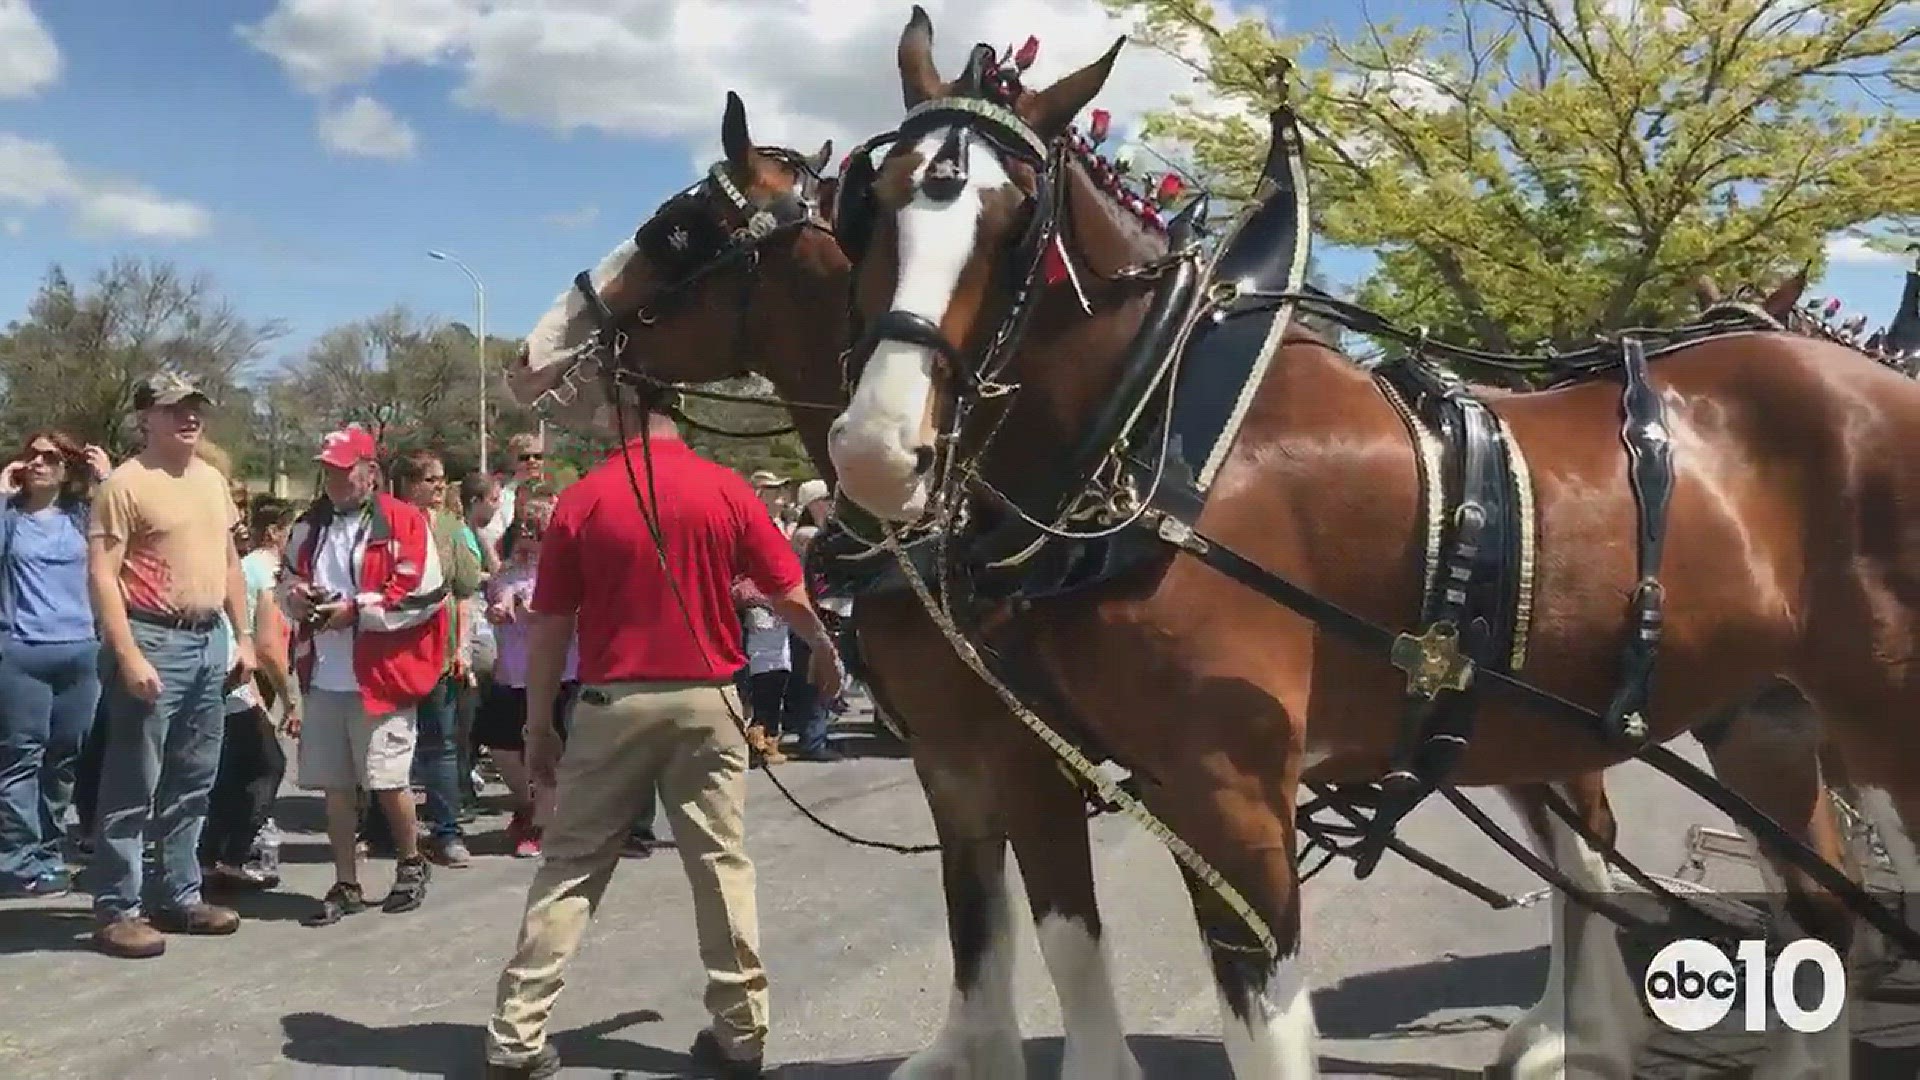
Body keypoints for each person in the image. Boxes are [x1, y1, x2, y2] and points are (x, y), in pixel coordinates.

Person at [483, 401, 843, 1080]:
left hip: (612, 701)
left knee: (570, 868)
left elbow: (552, 623)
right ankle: (742, 1036)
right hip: (708, 700)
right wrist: (820, 645)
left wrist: (538, 726)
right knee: (720, 865)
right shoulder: (726, 487)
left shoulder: (584, 498)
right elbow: (786, 585)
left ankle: (515, 1039)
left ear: (622, 409)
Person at [86, 371, 256, 959]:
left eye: (194, 407)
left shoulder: (211, 479)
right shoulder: (124, 486)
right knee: (134, 783)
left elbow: (231, 562)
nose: (189, 417)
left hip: (209, 641)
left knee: (193, 780)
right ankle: (117, 908)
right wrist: (127, 651)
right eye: (174, 408)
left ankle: (178, 895)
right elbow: (103, 575)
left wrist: (245, 638)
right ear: (146, 419)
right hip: (152, 639)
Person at [280, 425, 446, 928]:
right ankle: (346, 880)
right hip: (326, 674)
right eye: (327, 469)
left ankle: (411, 862)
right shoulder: (310, 525)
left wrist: (355, 611)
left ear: (370, 472)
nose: (333, 478)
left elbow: (420, 594)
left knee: (388, 778)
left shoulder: (403, 522)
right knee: (336, 785)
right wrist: (300, 597)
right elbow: (286, 579)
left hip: (383, 673)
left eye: (343, 469)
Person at [0, 432, 110, 898]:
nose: (39, 463)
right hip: (22, 649)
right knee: (21, 756)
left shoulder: (83, 517)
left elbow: (124, 535)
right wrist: (1, 496)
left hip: (81, 650)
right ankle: (19, 857)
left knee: (64, 757)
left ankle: (47, 851)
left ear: (67, 469)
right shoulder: (10, 519)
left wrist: (106, 481)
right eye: (33, 455)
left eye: (51, 457)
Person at [388, 450, 483, 868]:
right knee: (388, 745)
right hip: (390, 650)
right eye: (430, 480)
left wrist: (461, 648)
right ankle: (385, 831)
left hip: (439, 651)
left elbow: (465, 586)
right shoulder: (383, 523)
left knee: (441, 744)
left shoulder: (452, 526)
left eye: (443, 480)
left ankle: (447, 832)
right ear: (407, 484)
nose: (440, 487)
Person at [199, 497, 298, 890]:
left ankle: (215, 857)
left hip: (235, 678)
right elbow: (268, 644)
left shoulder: (244, 566)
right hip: (231, 680)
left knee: (232, 770)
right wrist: (290, 698)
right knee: (262, 765)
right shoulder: (262, 571)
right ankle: (226, 855)